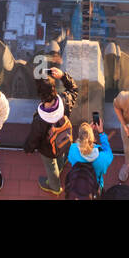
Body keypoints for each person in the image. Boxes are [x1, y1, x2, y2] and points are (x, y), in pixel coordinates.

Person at [23, 65, 78, 196]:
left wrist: (28, 149)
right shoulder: (65, 101)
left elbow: (33, 139)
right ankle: (62, 163)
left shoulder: (40, 120)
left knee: (50, 166)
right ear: (54, 90)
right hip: (63, 140)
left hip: (48, 149)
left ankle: (55, 186)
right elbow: (74, 89)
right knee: (60, 153)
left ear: (40, 94)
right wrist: (63, 76)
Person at [66, 119, 113, 197]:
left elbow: (77, 145)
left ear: (79, 137)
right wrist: (101, 133)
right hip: (94, 186)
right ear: (93, 139)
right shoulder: (103, 158)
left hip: (77, 183)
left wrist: (86, 133)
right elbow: (109, 152)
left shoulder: (72, 149)